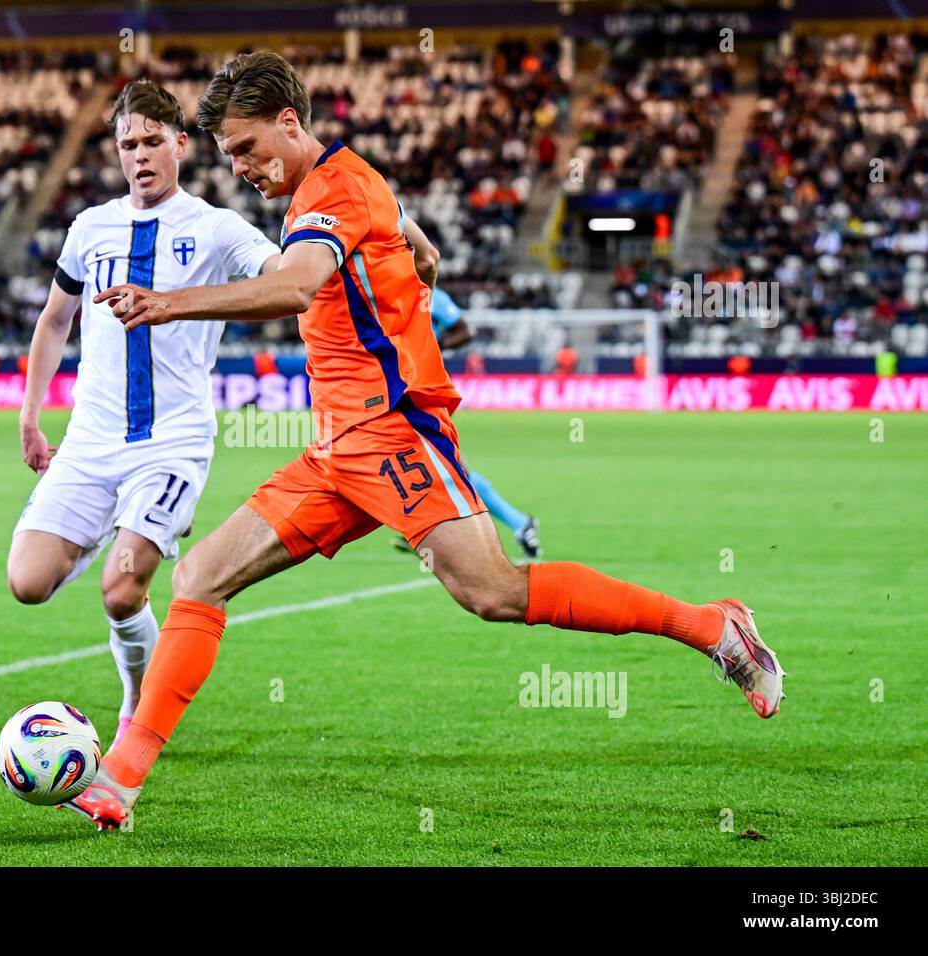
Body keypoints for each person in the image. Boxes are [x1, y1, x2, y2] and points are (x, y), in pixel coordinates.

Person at [69, 52, 785, 830]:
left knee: (494, 591)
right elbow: (426, 255)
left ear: (289, 122)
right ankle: (120, 779)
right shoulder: (347, 180)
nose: (240, 167)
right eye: (228, 156)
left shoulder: (331, 192)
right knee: (201, 575)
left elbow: (299, 285)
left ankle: (714, 627)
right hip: (339, 448)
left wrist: (171, 304)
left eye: (247, 148)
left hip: (391, 433)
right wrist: (406, 320)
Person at [7, 80, 281, 749]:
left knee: (121, 591)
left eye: (153, 140)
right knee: (27, 582)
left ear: (181, 144)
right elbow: (54, 321)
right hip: (89, 444)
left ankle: (137, 707)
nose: (140, 155)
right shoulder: (89, 227)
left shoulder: (216, 227)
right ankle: (125, 527)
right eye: (128, 143)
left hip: (171, 445)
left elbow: (282, 279)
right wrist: (31, 409)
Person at [389, 283, 541, 560]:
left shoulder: (431, 294)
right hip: (398, 387)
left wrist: (434, 346)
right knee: (432, 460)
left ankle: (509, 524)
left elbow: (465, 331)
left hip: (422, 387)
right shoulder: (386, 291)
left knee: (448, 463)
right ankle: (430, 526)